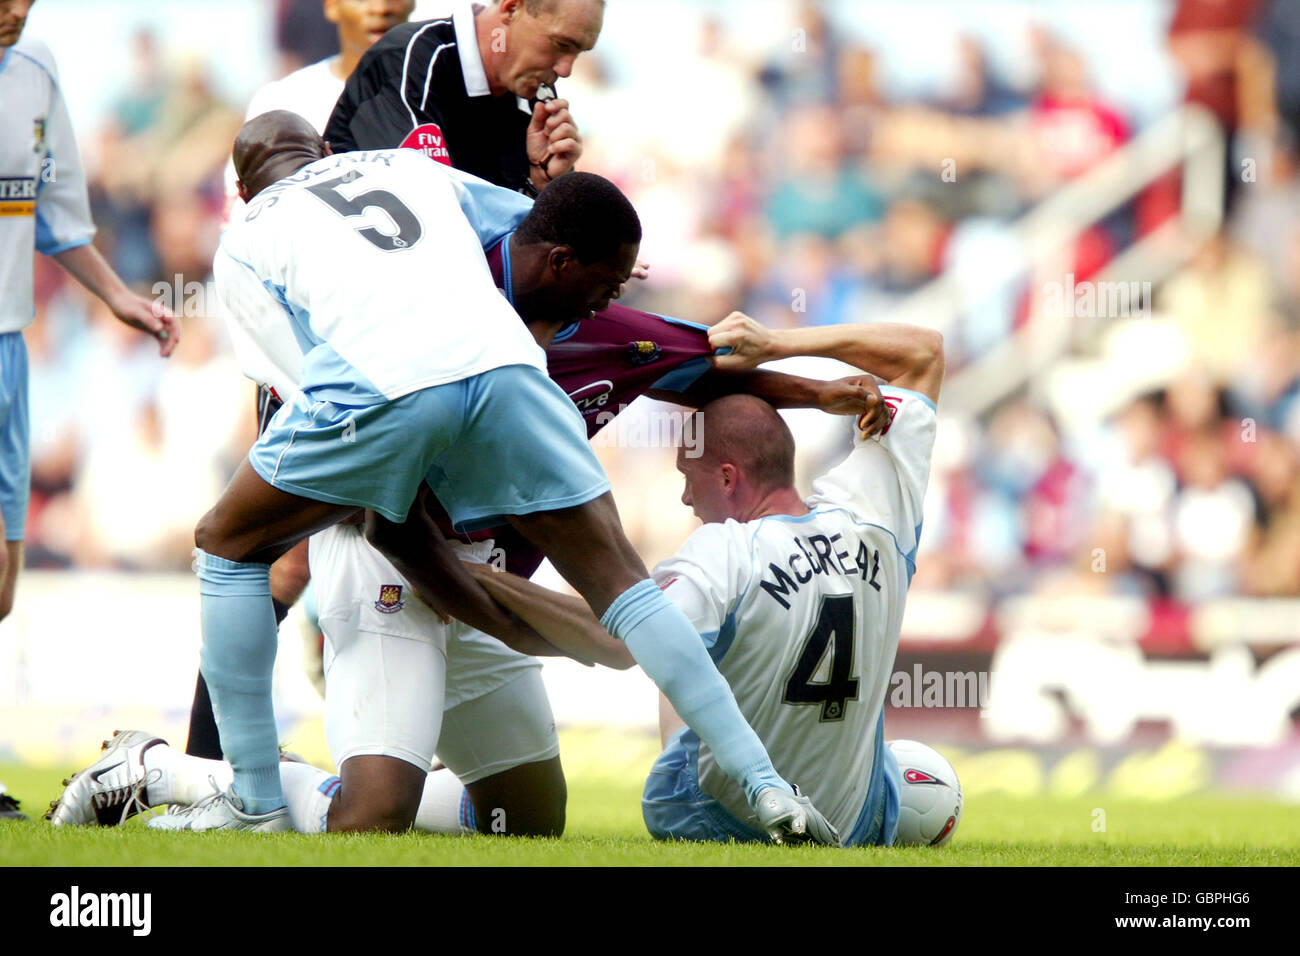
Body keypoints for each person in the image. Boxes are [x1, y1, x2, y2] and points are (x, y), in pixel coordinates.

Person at [167, 111, 834, 842]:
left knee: (227, 543)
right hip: (501, 369)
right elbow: (521, 216)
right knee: (625, 586)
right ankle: (767, 786)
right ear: (329, 151)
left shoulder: (247, 240)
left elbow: (303, 386)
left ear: (240, 188)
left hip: (386, 395)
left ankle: (257, 802)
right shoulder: (404, 168)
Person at [461, 315, 944, 845]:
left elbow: (622, 639)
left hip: (723, 821)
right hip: (857, 824)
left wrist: (482, 576)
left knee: (674, 640)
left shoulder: (724, 554)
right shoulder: (875, 517)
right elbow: (923, 351)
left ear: (728, 477)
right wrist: (777, 344)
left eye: (688, 479)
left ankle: (460, 803)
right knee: (918, 776)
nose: (687, 500)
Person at [0, 0, 179, 819]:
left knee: (3, 586)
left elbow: (55, 220)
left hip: (8, 349)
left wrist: (119, 299)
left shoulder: (36, 72)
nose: (14, 12)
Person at [324, 0, 595, 194]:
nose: (566, 69)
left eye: (579, 52)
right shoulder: (412, 57)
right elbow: (427, 209)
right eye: (560, 45)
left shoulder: (534, 92)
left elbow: (537, 247)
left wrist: (544, 185)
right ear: (511, 9)